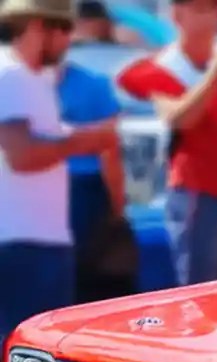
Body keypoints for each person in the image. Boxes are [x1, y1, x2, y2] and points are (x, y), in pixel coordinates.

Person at [0, 0, 118, 362]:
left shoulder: (19, 77)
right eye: (62, 30)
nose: (67, 41)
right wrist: (87, 141)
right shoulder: (16, 76)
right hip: (27, 248)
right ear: (40, 29)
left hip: (26, 243)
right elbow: (24, 156)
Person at [117, 0, 217, 286]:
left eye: (215, 9)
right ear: (177, 14)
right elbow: (179, 119)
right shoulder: (164, 68)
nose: (211, 17)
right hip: (196, 189)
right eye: (200, 8)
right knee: (200, 289)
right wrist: (215, 74)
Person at [55, 3, 134, 302]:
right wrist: (117, 208)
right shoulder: (96, 84)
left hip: (49, 193)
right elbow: (110, 153)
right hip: (87, 193)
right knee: (89, 286)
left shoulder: (20, 83)